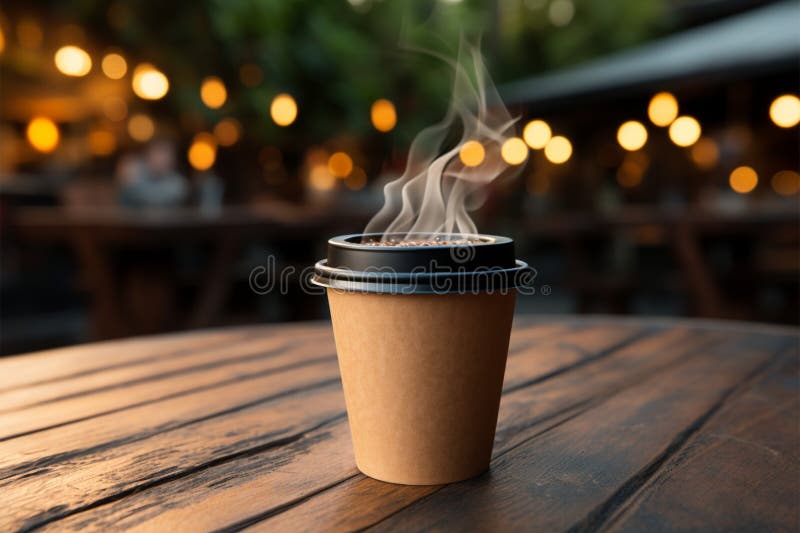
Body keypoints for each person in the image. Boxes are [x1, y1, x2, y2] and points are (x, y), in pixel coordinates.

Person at [117, 138, 188, 207]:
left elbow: (158, 198)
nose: (161, 158)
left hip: (166, 219)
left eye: (166, 153)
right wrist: (126, 181)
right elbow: (124, 199)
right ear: (147, 154)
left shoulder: (178, 183)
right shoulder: (133, 173)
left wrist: (132, 184)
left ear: (173, 158)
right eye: (158, 152)